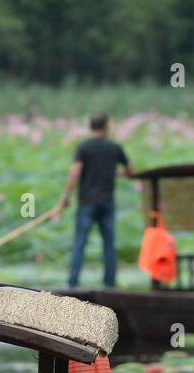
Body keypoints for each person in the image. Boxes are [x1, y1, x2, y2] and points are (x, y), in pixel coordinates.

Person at [54, 113, 132, 289]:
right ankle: (109, 283)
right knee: (109, 244)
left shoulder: (83, 147)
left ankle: (73, 283)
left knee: (80, 242)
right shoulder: (114, 147)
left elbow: (75, 172)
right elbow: (130, 171)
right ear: (106, 126)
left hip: (87, 202)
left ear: (90, 126)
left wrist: (65, 197)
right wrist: (115, 173)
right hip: (107, 201)